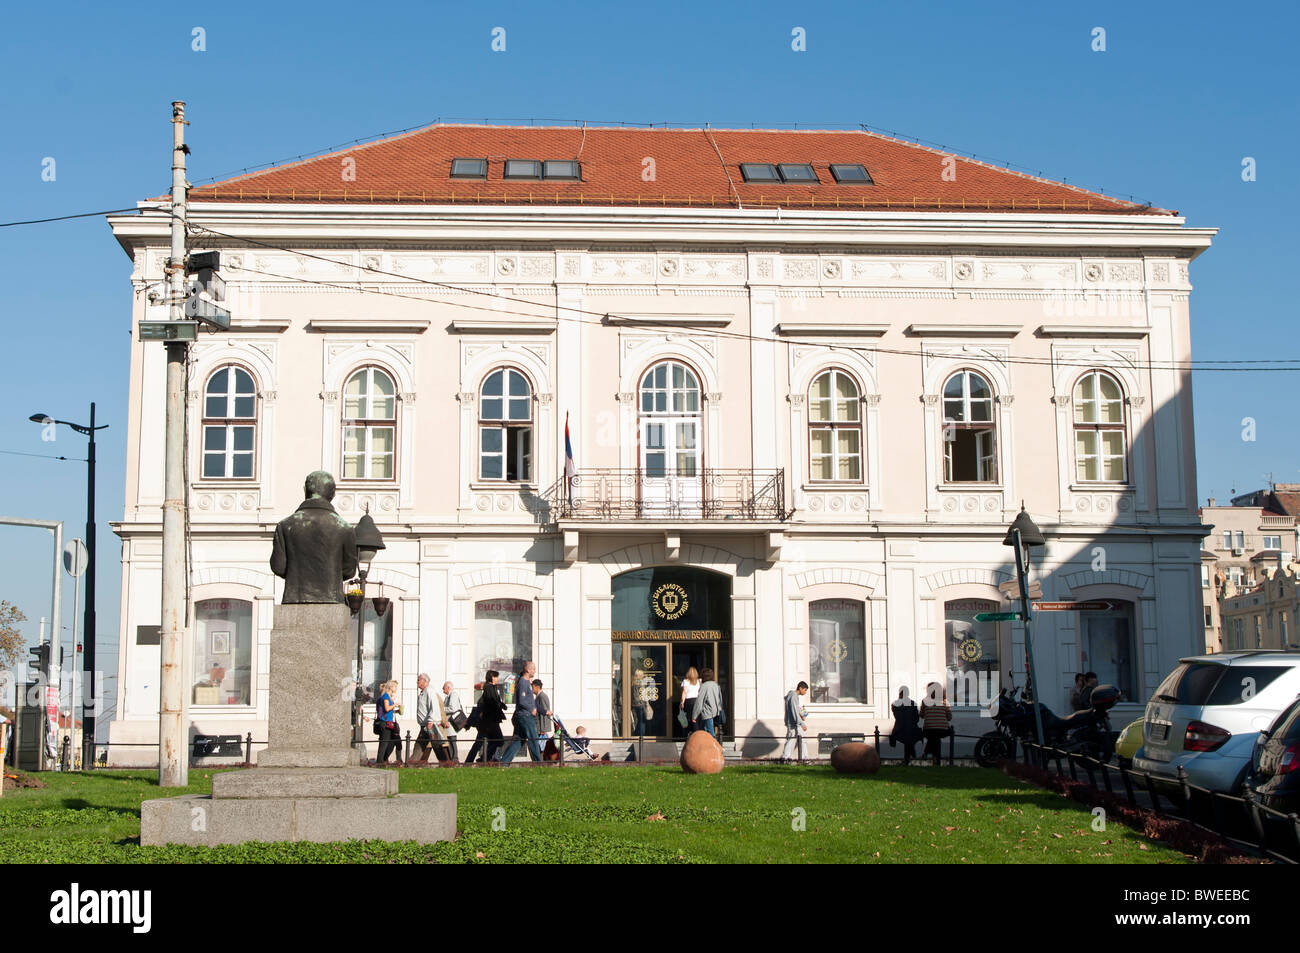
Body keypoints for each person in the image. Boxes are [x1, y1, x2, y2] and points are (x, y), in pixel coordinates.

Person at [495, 661, 543, 764]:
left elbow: (530, 701)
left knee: (519, 740)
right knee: (533, 739)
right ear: (528, 670)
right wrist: (531, 709)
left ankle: (504, 762)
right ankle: (538, 763)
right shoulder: (523, 682)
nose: (535, 670)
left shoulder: (527, 683)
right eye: (533, 669)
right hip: (525, 716)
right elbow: (522, 701)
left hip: (523, 715)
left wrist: (543, 711)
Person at [464, 670, 506, 764]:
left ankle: (473, 760)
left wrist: (501, 705)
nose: (497, 679)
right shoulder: (489, 687)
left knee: (481, 742)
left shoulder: (490, 687)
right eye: (495, 677)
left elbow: (493, 702)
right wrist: (500, 705)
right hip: (489, 721)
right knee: (498, 741)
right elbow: (492, 702)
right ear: (491, 677)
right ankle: (483, 758)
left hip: (487, 721)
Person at [411, 674, 445, 764]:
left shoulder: (429, 690)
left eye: (419, 680)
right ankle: (412, 762)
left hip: (429, 724)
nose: (417, 682)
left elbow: (433, 706)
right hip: (425, 725)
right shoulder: (423, 692)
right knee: (422, 744)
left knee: (436, 745)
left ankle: (446, 763)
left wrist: (431, 721)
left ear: (425, 681)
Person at [889, 686, 923, 765]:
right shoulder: (913, 703)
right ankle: (910, 755)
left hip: (899, 729)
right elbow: (916, 718)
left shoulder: (894, 704)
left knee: (907, 738)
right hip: (911, 728)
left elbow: (897, 717)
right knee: (909, 738)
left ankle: (907, 759)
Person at [919, 682, 951, 766]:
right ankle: (936, 760)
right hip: (942, 730)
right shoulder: (944, 701)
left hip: (928, 730)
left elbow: (921, 715)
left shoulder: (925, 701)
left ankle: (927, 754)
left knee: (932, 737)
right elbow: (949, 717)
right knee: (936, 739)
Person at [374, 679, 403, 765]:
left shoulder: (388, 697)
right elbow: (386, 708)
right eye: (395, 687)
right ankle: (380, 761)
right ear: (391, 687)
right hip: (385, 723)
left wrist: (397, 711)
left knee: (392, 742)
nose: (396, 688)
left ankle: (384, 759)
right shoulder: (385, 696)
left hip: (389, 723)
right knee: (384, 742)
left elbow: (388, 710)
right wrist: (395, 704)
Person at [781, 681, 809, 763]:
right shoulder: (793, 696)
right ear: (800, 688)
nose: (805, 692)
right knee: (794, 740)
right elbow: (794, 711)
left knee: (794, 740)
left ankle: (786, 757)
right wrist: (802, 723)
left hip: (794, 722)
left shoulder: (793, 696)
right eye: (805, 690)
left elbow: (796, 708)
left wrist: (803, 713)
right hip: (794, 723)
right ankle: (802, 759)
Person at [691, 668, 723, 737]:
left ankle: (714, 747)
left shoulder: (704, 686)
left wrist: (694, 716)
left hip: (707, 712)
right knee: (706, 732)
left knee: (710, 733)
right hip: (716, 711)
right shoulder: (716, 685)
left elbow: (699, 702)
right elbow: (720, 699)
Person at [440, 680, 465, 762]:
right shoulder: (449, 696)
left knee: (452, 740)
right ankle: (452, 759)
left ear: (448, 687)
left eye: (444, 688)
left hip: (452, 722)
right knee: (450, 740)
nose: (443, 689)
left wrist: (442, 709)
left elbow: (452, 708)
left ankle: (454, 759)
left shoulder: (453, 695)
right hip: (449, 723)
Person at [679, 666, 700, 734]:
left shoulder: (685, 681)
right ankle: (696, 733)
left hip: (688, 701)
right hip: (697, 701)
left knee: (687, 718)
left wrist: (682, 702)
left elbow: (684, 692)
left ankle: (687, 733)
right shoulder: (699, 681)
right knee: (695, 718)